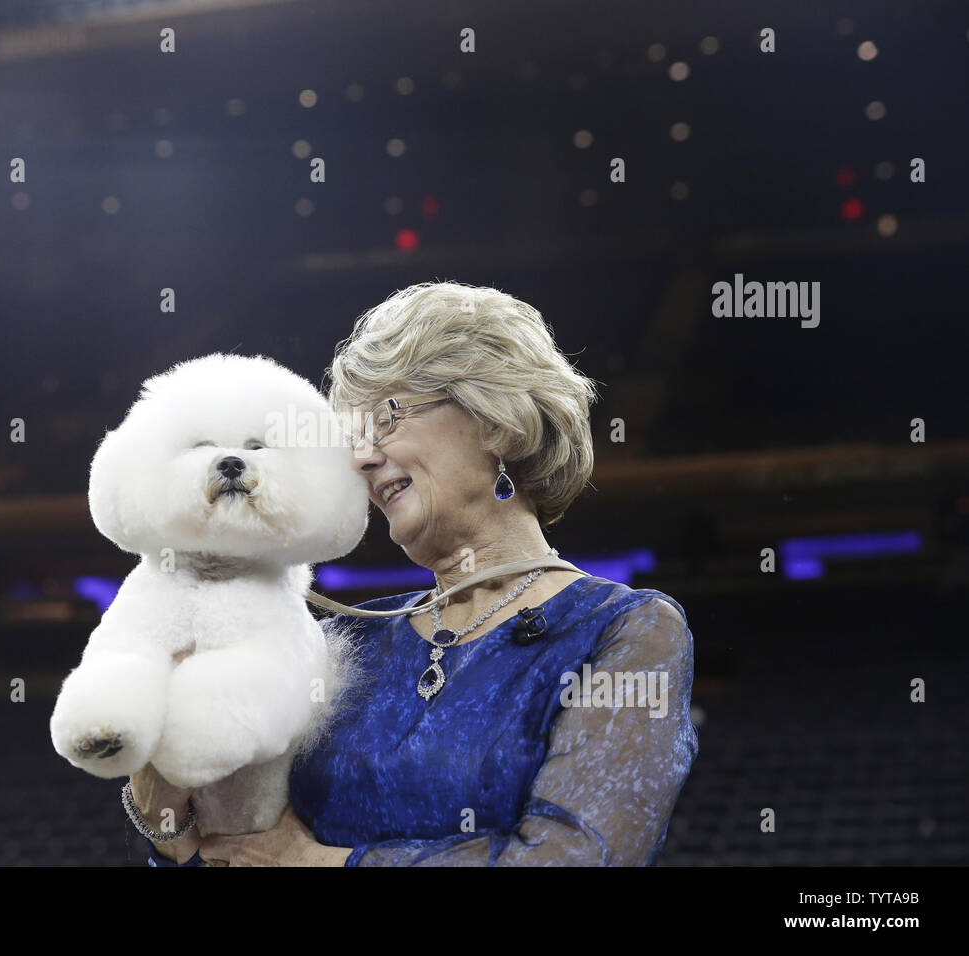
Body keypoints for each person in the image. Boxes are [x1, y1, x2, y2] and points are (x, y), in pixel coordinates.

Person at [130, 280, 698, 866]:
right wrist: (162, 805)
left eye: (388, 418)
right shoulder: (342, 639)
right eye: (354, 438)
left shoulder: (624, 631)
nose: (363, 456)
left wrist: (324, 863)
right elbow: (240, 853)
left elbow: (576, 857)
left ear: (495, 420)